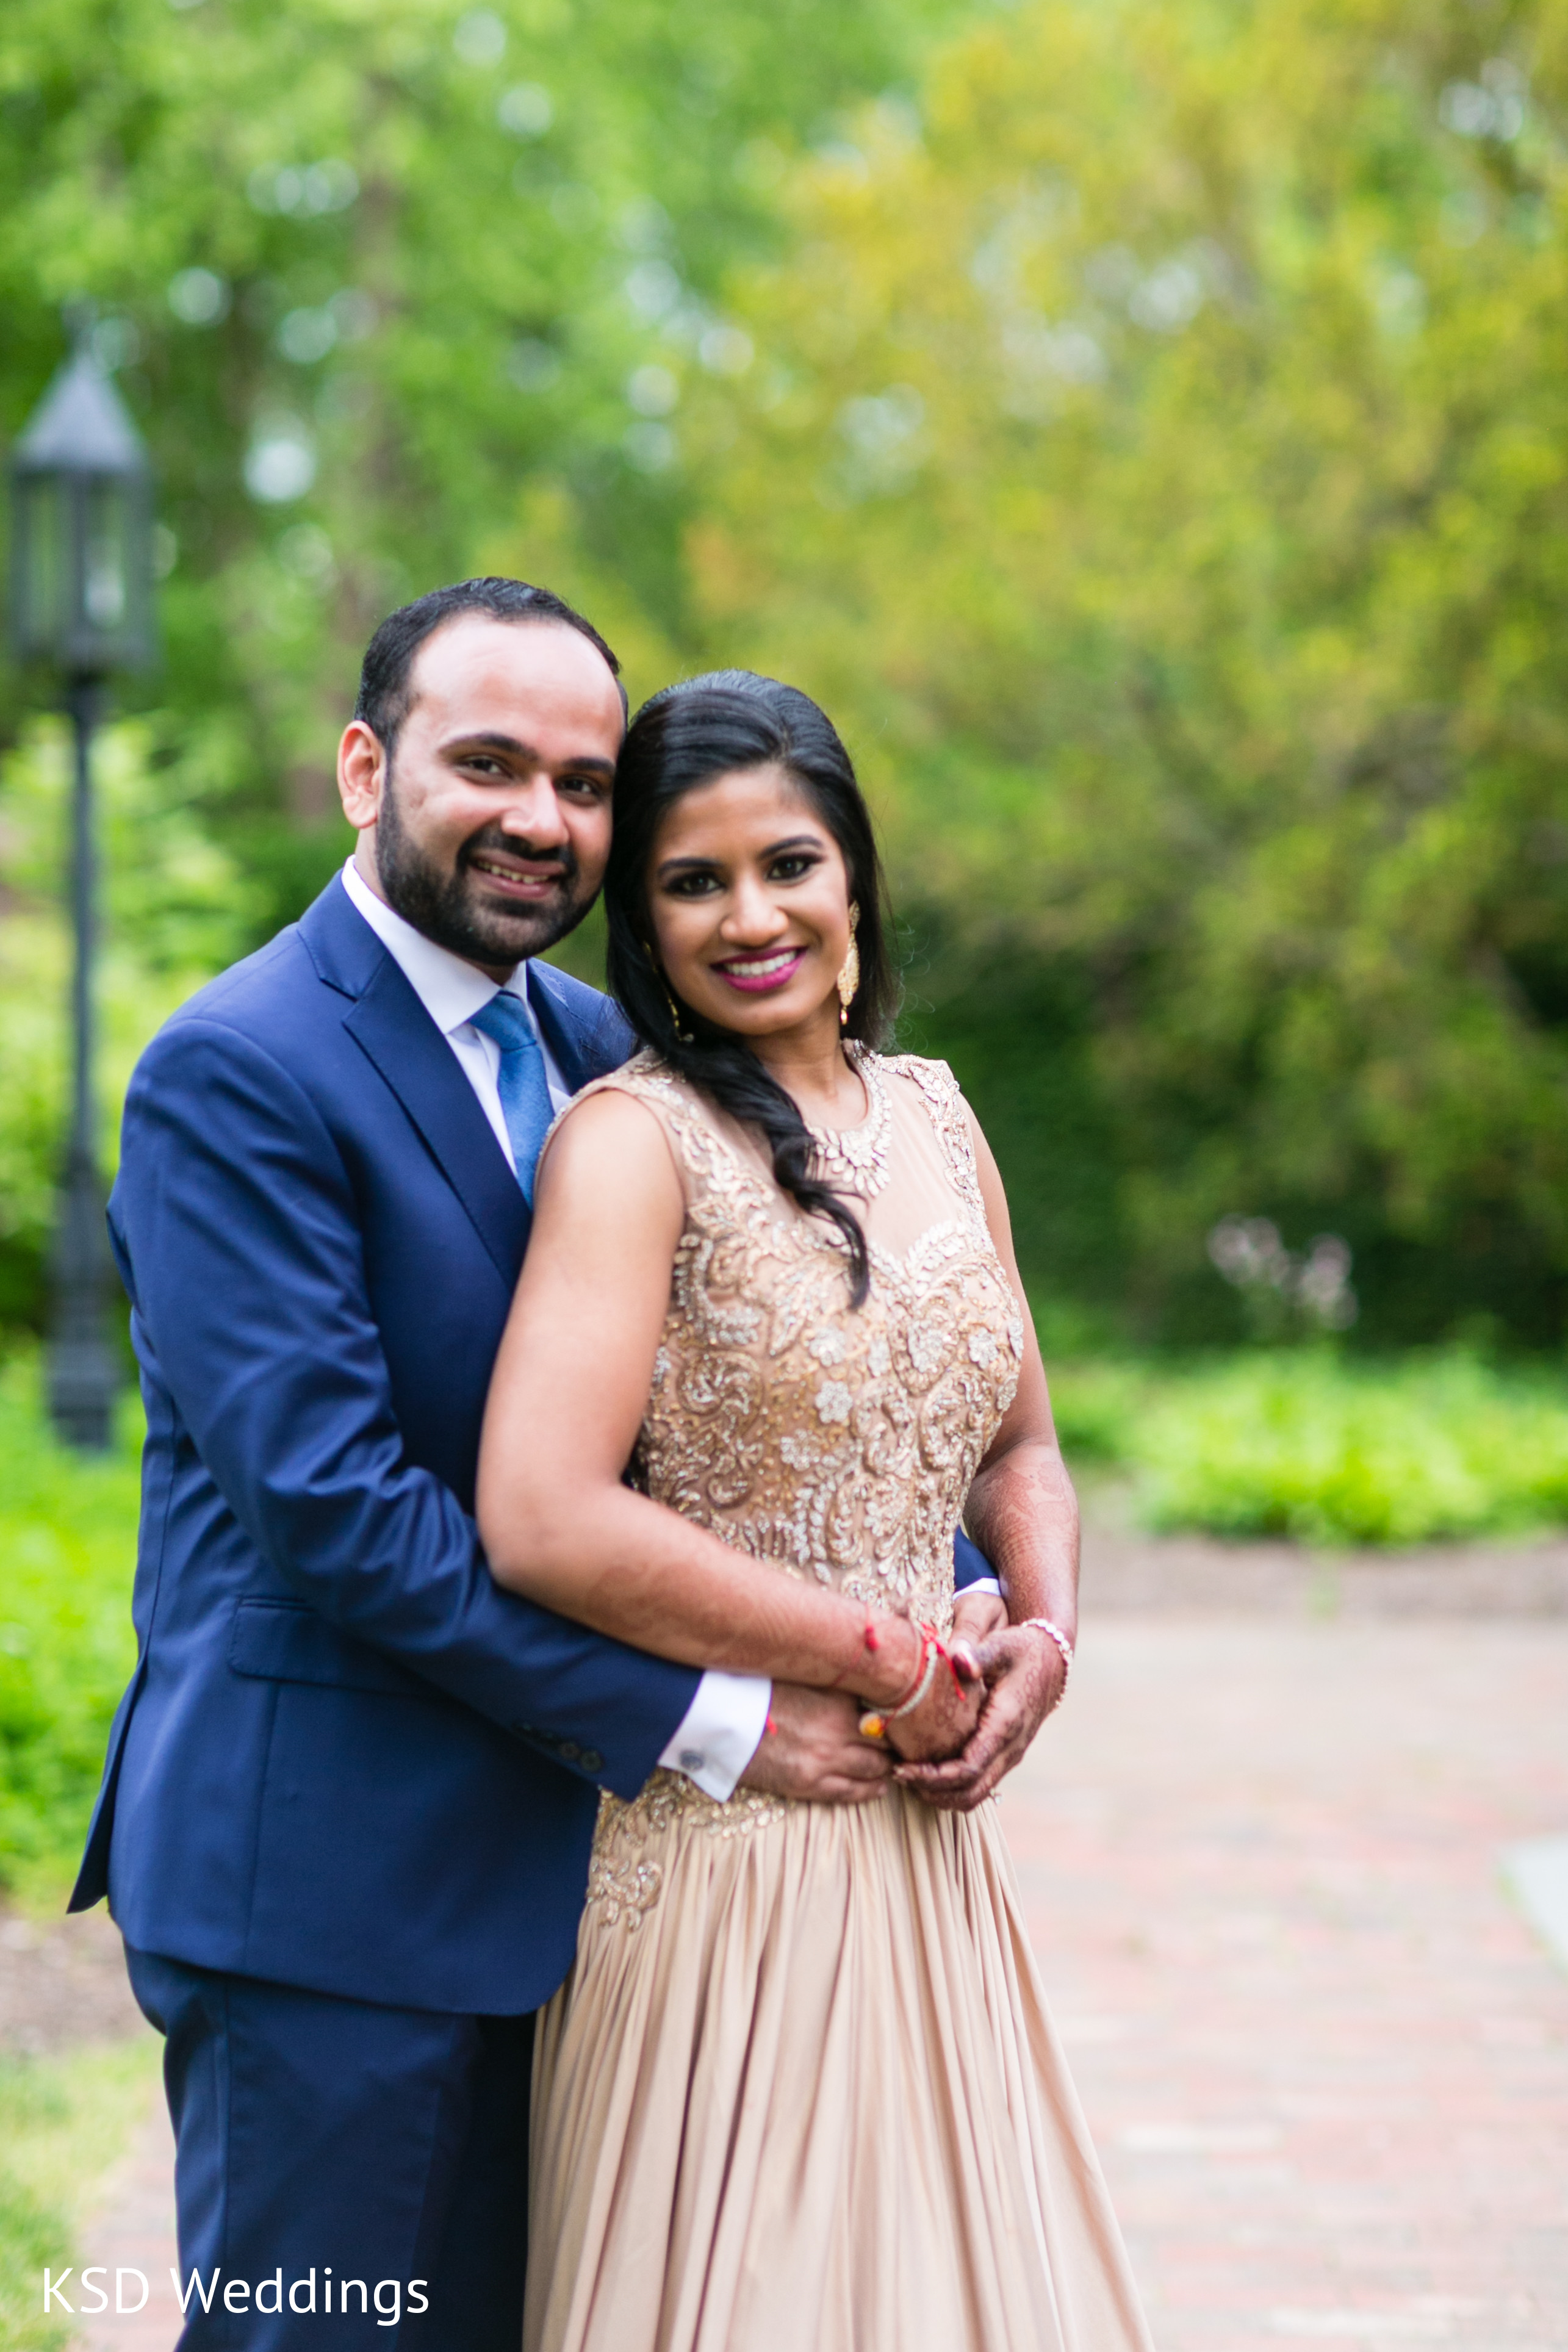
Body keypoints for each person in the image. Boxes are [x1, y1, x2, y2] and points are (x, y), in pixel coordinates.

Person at [68, 581, 1004, 2348]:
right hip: (326, 1898)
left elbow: (796, 1378)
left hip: (574, 1897)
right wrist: (717, 1714)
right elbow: (344, 1520)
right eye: (486, 763)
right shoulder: (238, 1071)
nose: (541, 820)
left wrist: (976, 1603)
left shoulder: (601, 1059)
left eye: (583, 784)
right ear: (366, 766)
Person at [477, 671, 1155, 2352]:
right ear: (640, 919)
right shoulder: (628, 1146)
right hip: (730, 1853)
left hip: (924, 1852)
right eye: (691, 883)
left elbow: (1021, 1452)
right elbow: (542, 1517)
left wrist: (1041, 1634)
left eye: (786, 862)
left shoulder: (937, 1111)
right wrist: (885, 1655)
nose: (748, 916)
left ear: (852, 871)